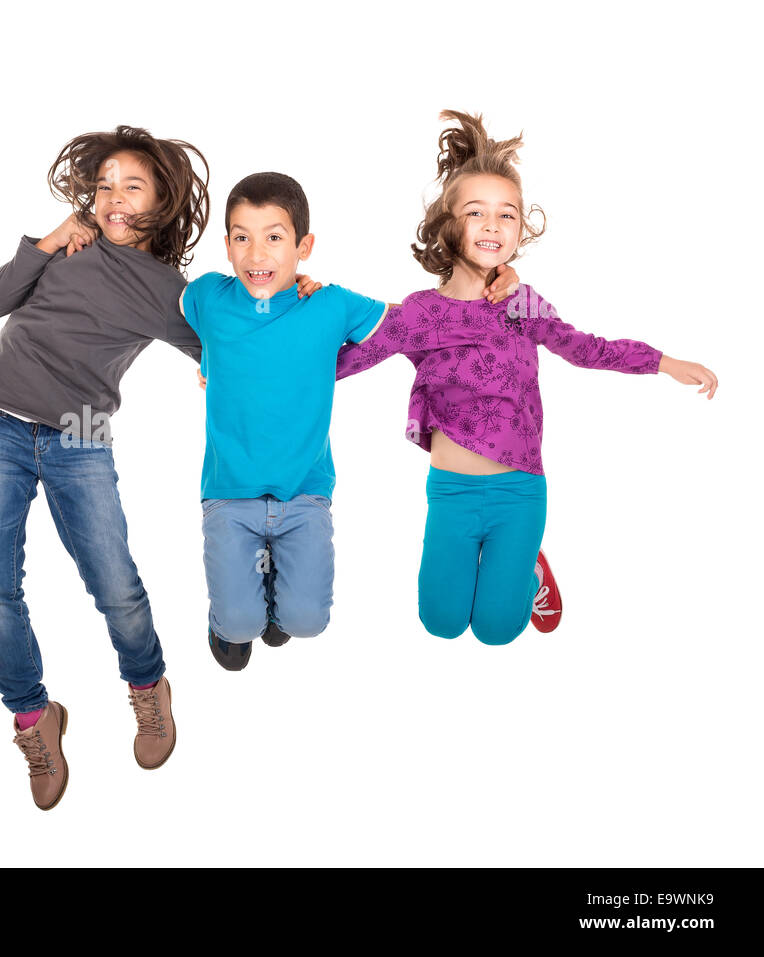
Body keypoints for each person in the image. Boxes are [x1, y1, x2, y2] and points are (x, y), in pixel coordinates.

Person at [336, 111, 718, 644]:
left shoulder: (523, 303)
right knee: (441, 623)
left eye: (507, 215)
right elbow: (343, 364)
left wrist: (663, 362)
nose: (492, 225)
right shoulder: (419, 313)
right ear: (448, 222)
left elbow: (586, 349)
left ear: (520, 229)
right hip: (451, 492)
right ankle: (506, 570)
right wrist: (244, 376)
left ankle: (529, 570)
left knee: (496, 630)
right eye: (476, 212)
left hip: (519, 490)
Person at [185, 172, 518, 671]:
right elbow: (175, 315)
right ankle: (231, 620)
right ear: (227, 245)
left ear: (304, 246)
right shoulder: (206, 295)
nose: (257, 255)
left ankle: (276, 590)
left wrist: (494, 277)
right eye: (242, 238)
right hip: (230, 494)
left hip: (305, 494)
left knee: (305, 623)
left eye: (274, 238)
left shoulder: (330, 304)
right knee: (239, 625)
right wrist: (210, 362)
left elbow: (418, 321)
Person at [0, 125, 209, 809]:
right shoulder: (68, 246)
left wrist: (221, 368)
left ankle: (147, 684)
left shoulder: (168, 291)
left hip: (79, 439)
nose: (113, 197)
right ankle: (32, 715)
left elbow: (218, 348)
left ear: (162, 201)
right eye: (104, 185)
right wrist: (48, 240)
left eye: (132, 186)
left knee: (114, 581)